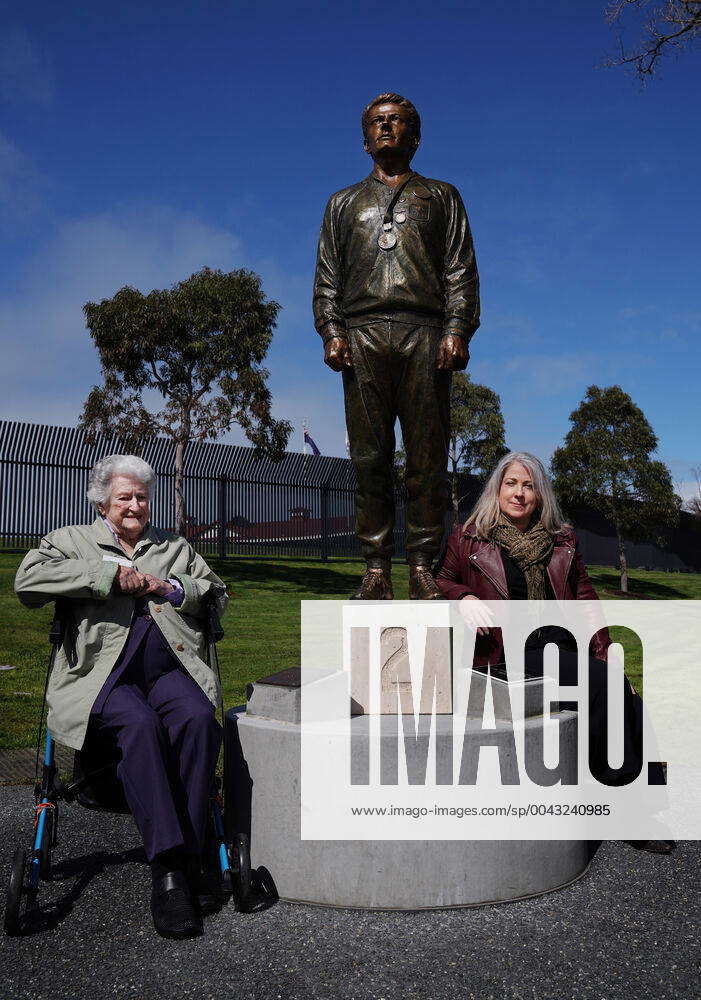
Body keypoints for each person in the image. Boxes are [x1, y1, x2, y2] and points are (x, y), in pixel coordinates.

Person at [15, 454, 228, 938]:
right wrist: (105, 576)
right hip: (103, 675)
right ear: (102, 501)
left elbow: (217, 593)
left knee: (198, 718)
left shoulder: (173, 546)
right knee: (140, 725)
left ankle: (193, 853)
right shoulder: (70, 541)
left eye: (142, 497)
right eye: (124, 497)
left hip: (169, 669)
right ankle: (170, 873)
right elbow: (26, 582)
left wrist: (173, 587)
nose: (135, 506)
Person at [436, 451, 674, 854]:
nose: (519, 492)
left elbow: (584, 596)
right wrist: (462, 598)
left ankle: (634, 805)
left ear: (540, 494)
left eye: (528, 485)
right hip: (503, 656)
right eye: (511, 483)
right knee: (606, 686)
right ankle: (629, 810)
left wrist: (605, 646)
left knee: (625, 694)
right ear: (497, 489)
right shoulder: (469, 536)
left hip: (557, 646)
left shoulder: (561, 540)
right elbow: (439, 580)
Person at [313, 92, 480, 600]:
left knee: (427, 459)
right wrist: (332, 330)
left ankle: (424, 564)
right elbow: (327, 278)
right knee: (370, 458)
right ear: (365, 139)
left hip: (423, 334)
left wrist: (457, 329)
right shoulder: (343, 203)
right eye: (378, 123)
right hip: (362, 336)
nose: (387, 129)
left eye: (398, 121)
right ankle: (376, 567)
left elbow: (460, 270)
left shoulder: (442, 196)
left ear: (416, 134)